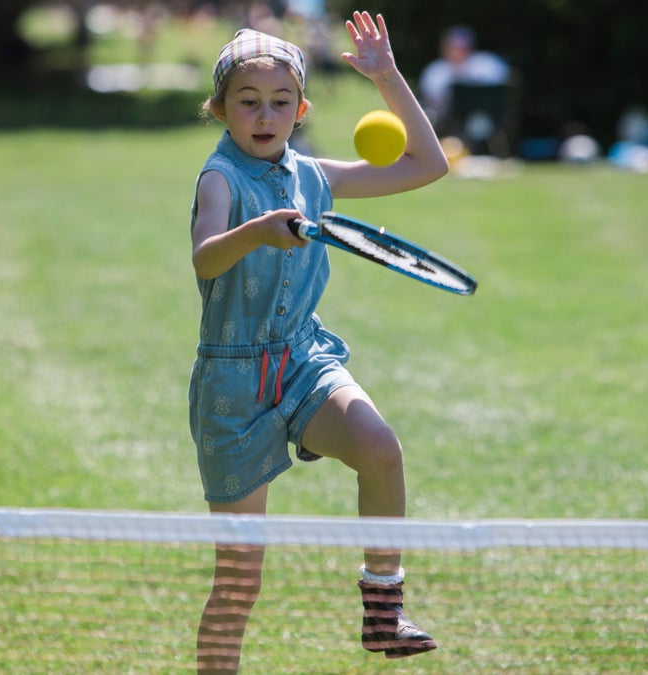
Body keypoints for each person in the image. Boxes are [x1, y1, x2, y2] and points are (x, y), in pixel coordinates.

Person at [190, 11, 448, 673]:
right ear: (220, 110)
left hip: (304, 361)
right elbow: (205, 260)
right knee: (240, 578)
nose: (264, 115)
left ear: (300, 109)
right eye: (247, 103)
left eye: (280, 103)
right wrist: (258, 231)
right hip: (232, 386)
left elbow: (429, 163)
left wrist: (386, 75)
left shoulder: (313, 175)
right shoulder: (219, 179)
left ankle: (383, 607)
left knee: (380, 448)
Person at [418, 25, 510, 133]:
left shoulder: (488, 64)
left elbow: (508, 88)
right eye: (454, 47)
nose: (458, 51)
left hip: (487, 122)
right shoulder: (434, 71)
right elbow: (430, 104)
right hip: (446, 124)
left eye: (462, 47)